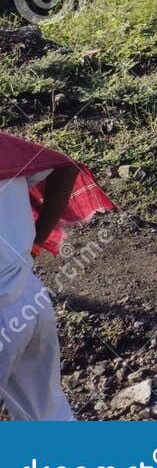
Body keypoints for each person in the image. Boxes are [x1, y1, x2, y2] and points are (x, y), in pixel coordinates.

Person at [1, 131, 115, 421]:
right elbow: (64, 168)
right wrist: (35, 244)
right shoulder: (5, 148)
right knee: (48, 418)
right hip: (29, 297)